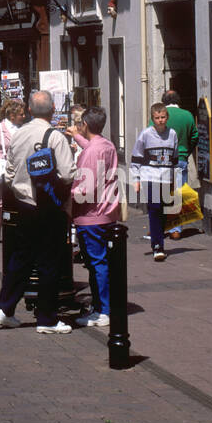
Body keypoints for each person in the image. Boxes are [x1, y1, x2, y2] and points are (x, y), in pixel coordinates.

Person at [0, 90, 76, 333]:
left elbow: (8, 171)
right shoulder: (56, 137)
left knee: (22, 257)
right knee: (49, 261)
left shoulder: (18, 135)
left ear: (29, 110)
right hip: (48, 207)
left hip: (23, 205)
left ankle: (4, 309)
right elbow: (69, 174)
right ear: (52, 111)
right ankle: (47, 319)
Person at [72, 106, 120, 327]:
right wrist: (77, 138)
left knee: (96, 263)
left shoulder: (92, 151)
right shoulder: (106, 145)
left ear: (86, 125)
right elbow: (93, 150)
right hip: (107, 212)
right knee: (101, 262)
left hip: (92, 214)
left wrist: (65, 193)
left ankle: (102, 310)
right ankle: (104, 305)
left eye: (80, 124)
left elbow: (86, 188)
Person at [131, 102, 180, 262]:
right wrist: (136, 179)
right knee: (154, 209)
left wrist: (175, 179)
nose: (160, 120)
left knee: (164, 210)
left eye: (163, 117)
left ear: (167, 117)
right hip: (149, 176)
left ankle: (159, 240)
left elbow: (175, 157)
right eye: (157, 118)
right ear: (152, 119)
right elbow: (136, 157)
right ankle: (157, 246)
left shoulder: (172, 134)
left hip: (166, 176)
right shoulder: (145, 135)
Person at [157, 89, 198, 239]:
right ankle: (177, 229)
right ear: (178, 100)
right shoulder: (187, 115)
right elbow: (194, 136)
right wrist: (186, 151)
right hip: (180, 159)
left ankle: (160, 227)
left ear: (164, 101)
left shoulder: (158, 116)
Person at [0, 98, 25, 244]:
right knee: (1, 202)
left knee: (20, 199)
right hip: (3, 168)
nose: (24, 116)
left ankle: (15, 228)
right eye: (21, 114)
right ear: (12, 115)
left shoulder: (23, 129)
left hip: (20, 169)